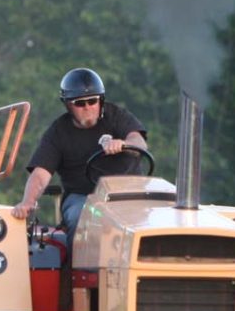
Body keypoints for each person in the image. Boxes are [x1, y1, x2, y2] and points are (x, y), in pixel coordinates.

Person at [9, 68, 148, 247]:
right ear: (68, 105)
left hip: (128, 194)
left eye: (92, 101)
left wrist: (124, 143)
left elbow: (139, 143)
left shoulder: (117, 116)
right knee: (80, 217)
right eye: (80, 103)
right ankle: (78, 272)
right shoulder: (58, 132)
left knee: (157, 216)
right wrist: (28, 202)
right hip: (84, 197)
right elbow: (41, 173)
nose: (88, 107)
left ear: (101, 100)